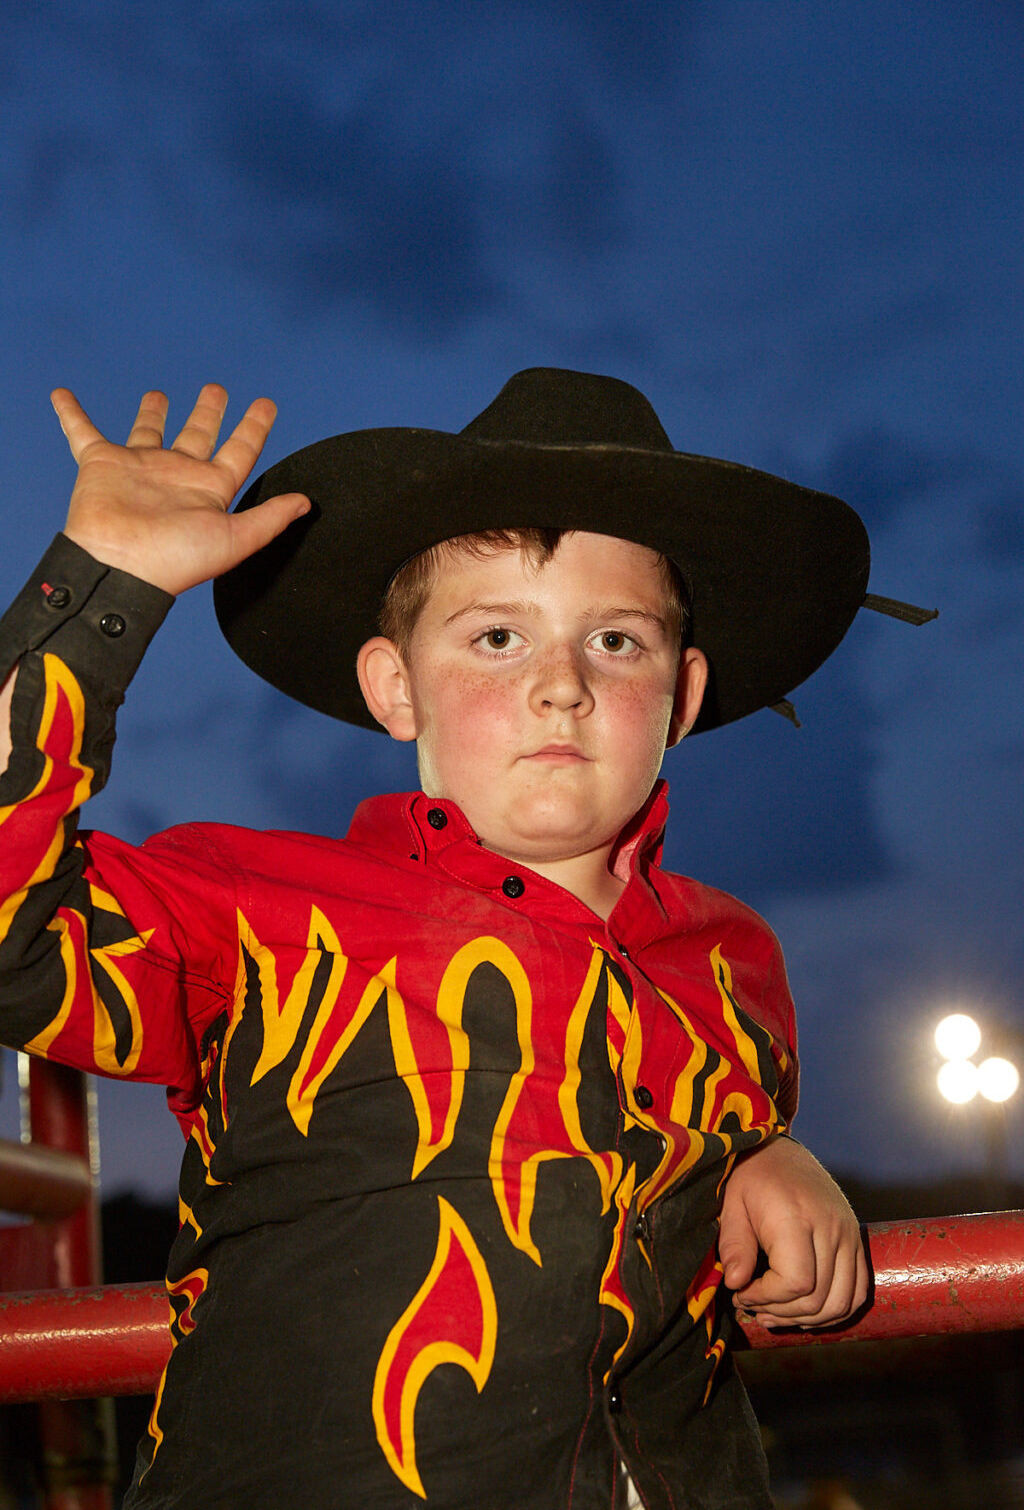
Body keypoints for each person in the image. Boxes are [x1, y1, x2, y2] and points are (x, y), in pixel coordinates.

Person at [0, 370, 873, 1509]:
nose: (560, 686)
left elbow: (680, 1165)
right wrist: (102, 586)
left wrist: (765, 1150)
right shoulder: (262, 910)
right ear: (393, 685)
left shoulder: (733, 960)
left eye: (615, 641)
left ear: (684, 692)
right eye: (498, 637)